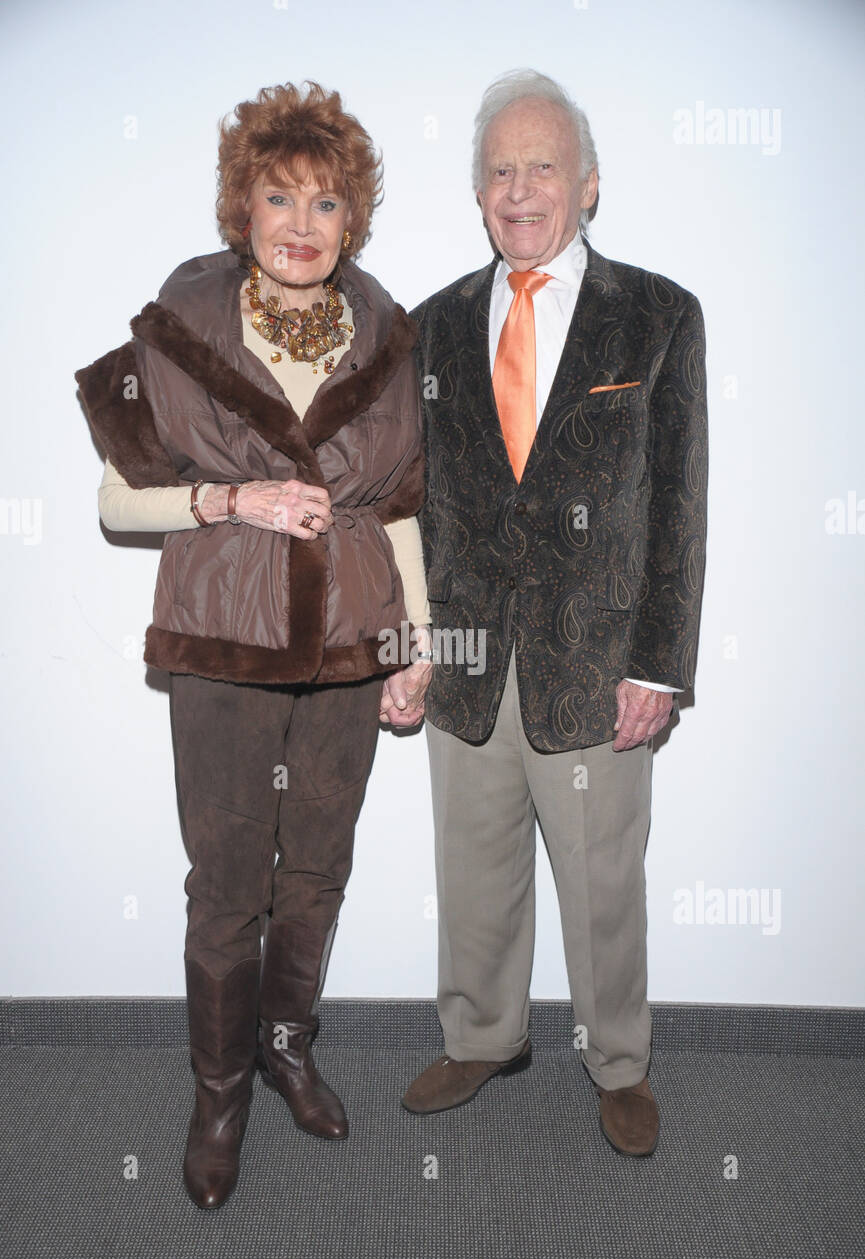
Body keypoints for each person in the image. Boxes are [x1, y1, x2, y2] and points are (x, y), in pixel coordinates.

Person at [75, 81, 432, 1209]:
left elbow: (409, 506)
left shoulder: (387, 331)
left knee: (316, 873)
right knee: (228, 885)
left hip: (346, 649)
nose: (300, 224)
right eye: (278, 196)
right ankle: (219, 1090)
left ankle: (286, 1048)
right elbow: (116, 499)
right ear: (241, 205)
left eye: (325, 203)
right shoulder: (178, 328)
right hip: (223, 650)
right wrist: (233, 500)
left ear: (350, 221)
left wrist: (417, 642)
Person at [403, 70, 708, 1157]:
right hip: (469, 659)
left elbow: (677, 500)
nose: (518, 189)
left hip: (597, 663)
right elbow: (413, 504)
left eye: (541, 166)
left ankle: (617, 1060)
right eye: (498, 169)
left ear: (588, 184)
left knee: (601, 885)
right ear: (476, 191)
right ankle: (480, 1036)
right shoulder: (432, 325)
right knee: (471, 873)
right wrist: (412, 650)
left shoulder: (659, 315)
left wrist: (658, 668)